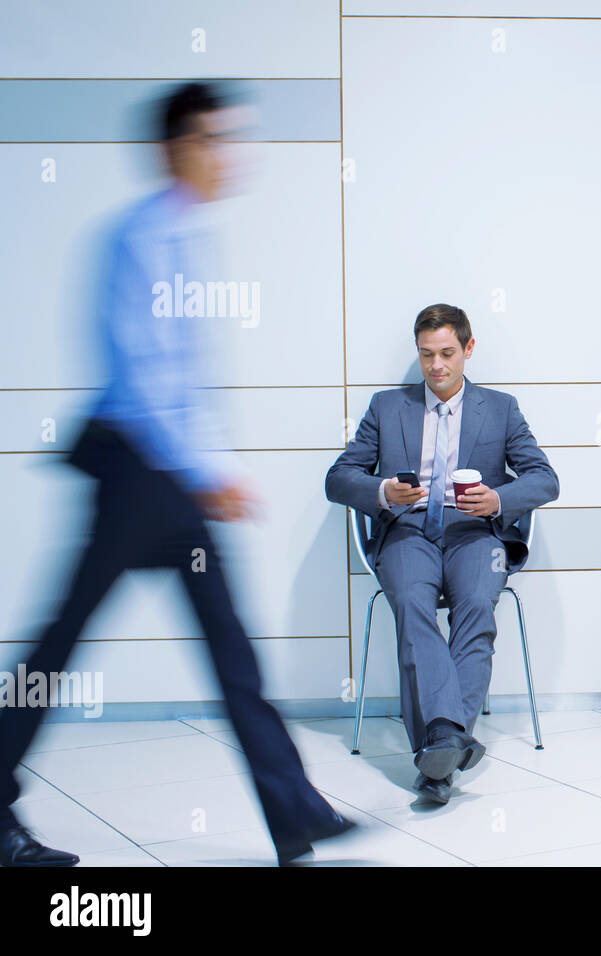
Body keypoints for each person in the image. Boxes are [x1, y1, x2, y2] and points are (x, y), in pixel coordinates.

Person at [0, 82, 355, 867]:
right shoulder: (141, 237)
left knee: (228, 651)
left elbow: (189, 384)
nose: (227, 155)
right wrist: (207, 471)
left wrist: (211, 469)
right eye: (212, 140)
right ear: (173, 148)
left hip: (169, 480)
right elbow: (145, 372)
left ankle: (294, 813)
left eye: (231, 139)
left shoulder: (191, 238)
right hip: (138, 474)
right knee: (60, 645)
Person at [326, 304, 558, 804]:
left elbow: (544, 479)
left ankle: (438, 752)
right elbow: (338, 478)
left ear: (468, 350)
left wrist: (498, 500)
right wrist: (385, 491)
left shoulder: (500, 408)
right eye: (427, 354)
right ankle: (448, 742)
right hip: (408, 533)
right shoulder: (388, 408)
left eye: (447, 354)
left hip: (476, 535)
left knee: (477, 607)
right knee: (412, 606)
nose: (436, 366)